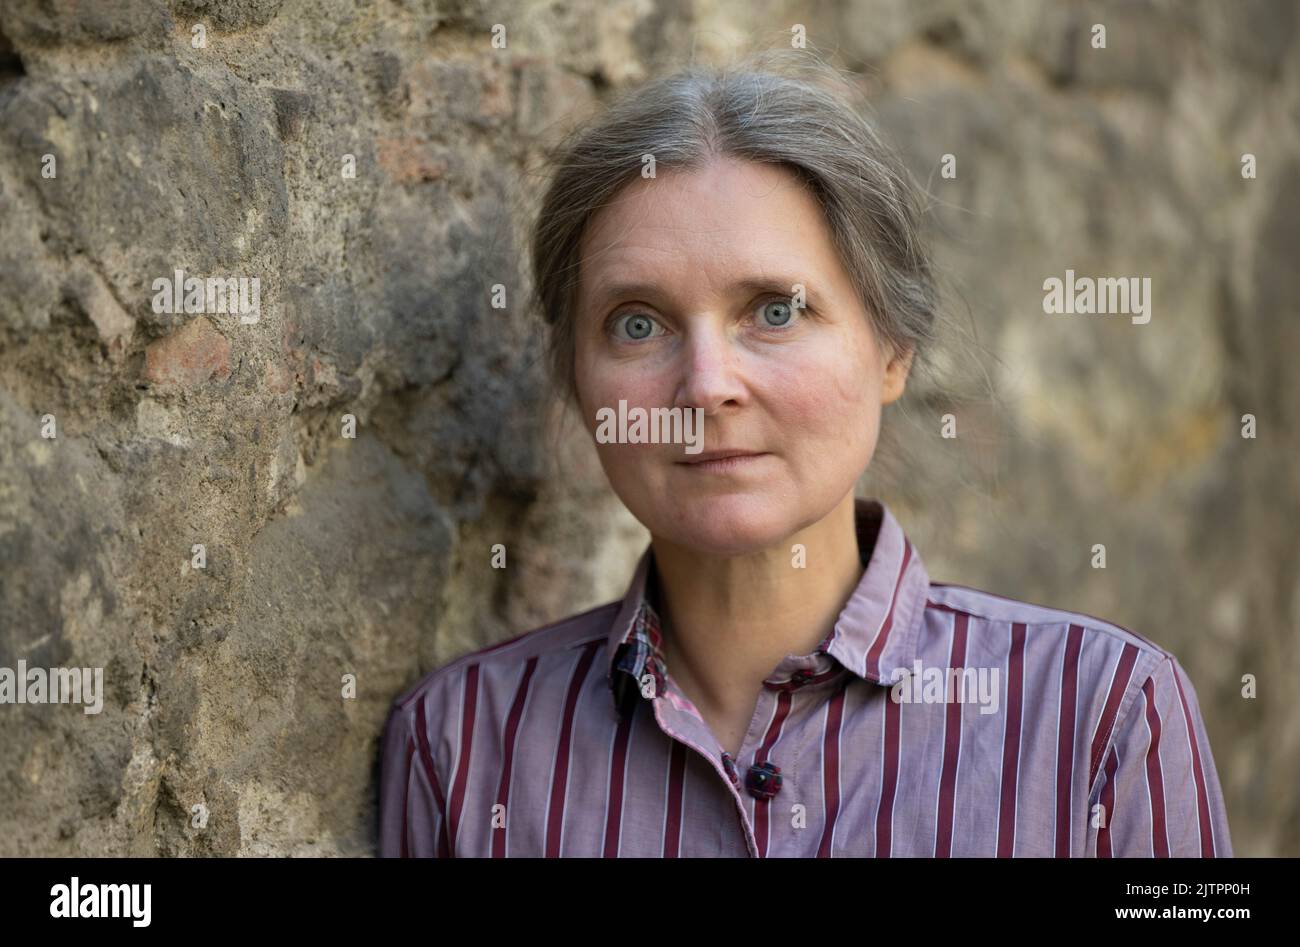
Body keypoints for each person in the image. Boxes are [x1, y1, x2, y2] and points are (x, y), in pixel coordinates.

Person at [379, 54, 1232, 857]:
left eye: (775, 311)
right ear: (576, 378)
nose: (707, 386)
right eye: (638, 323)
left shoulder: (1102, 714)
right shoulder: (462, 746)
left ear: (892, 351)